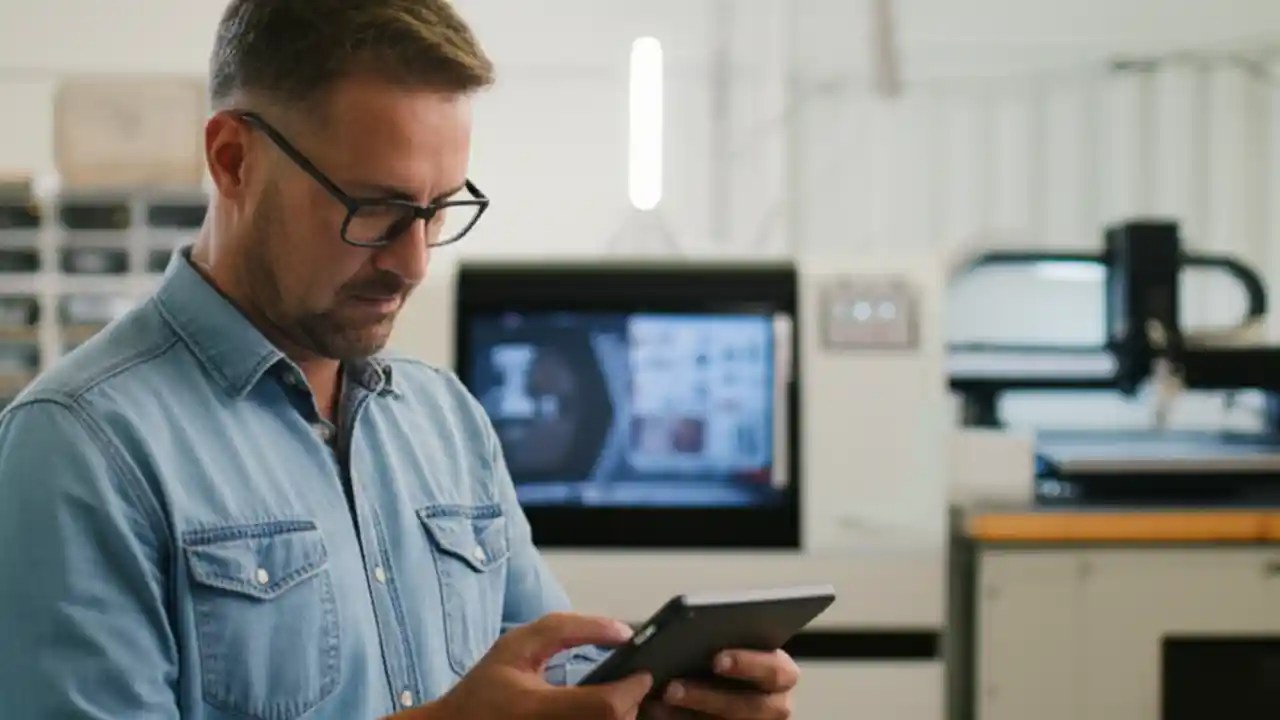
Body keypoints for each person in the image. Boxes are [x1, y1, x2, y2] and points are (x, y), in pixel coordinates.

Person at [0, 1, 801, 718]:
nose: (414, 262)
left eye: (439, 209)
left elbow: (551, 676)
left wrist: (658, 705)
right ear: (233, 160)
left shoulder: (443, 419)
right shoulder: (77, 448)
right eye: (374, 209)